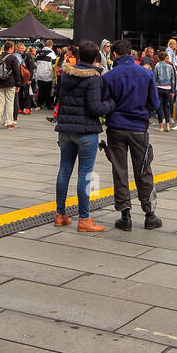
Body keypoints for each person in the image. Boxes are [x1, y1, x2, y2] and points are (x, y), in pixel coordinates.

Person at [54, 40, 115, 233]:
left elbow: (60, 101)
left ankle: (60, 214)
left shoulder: (66, 74)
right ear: (95, 58)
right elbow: (95, 107)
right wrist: (111, 104)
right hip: (86, 131)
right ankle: (84, 219)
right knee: (85, 174)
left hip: (65, 129)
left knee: (64, 170)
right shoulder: (94, 78)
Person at [102, 39, 162, 231]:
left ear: (114, 55)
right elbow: (155, 104)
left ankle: (125, 214)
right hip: (138, 128)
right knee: (144, 169)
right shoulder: (146, 74)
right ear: (132, 53)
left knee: (120, 170)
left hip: (116, 127)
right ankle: (149, 214)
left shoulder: (109, 76)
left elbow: (103, 103)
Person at [0, 40, 21, 129]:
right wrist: (18, 84)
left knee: (0, 102)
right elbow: (16, 72)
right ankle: (9, 122)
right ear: (11, 48)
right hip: (10, 83)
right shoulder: (13, 58)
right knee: (9, 102)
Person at [153, 50, 176, 133]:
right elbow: (173, 80)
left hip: (159, 87)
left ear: (159, 58)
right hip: (168, 88)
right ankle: (168, 125)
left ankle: (160, 126)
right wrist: (172, 91)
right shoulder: (170, 66)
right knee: (166, 106)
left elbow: (154, 78)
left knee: (159, 107)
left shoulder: (157, 66)